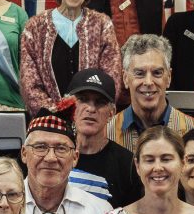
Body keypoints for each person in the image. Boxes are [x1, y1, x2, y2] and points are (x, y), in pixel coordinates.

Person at [19, 0, 119, 110]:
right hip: (49, 121)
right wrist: (56, 113)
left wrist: (89, 110)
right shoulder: (35, 27)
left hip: (92, 117)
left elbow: (112, 78)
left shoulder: (102, 25)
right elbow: (29, 83)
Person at [61, 69, 144, 204]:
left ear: (112, 113)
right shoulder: (52, 153)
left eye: (100, 102)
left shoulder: (127, 164)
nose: (91, 109)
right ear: (70, 106)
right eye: (83, 99)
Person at [115, 33, 194, 144]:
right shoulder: (107, 134)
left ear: (169, 77)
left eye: (157, 73)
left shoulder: (193, 131)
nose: (148, 82)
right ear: (125, 78)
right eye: (139, 73)